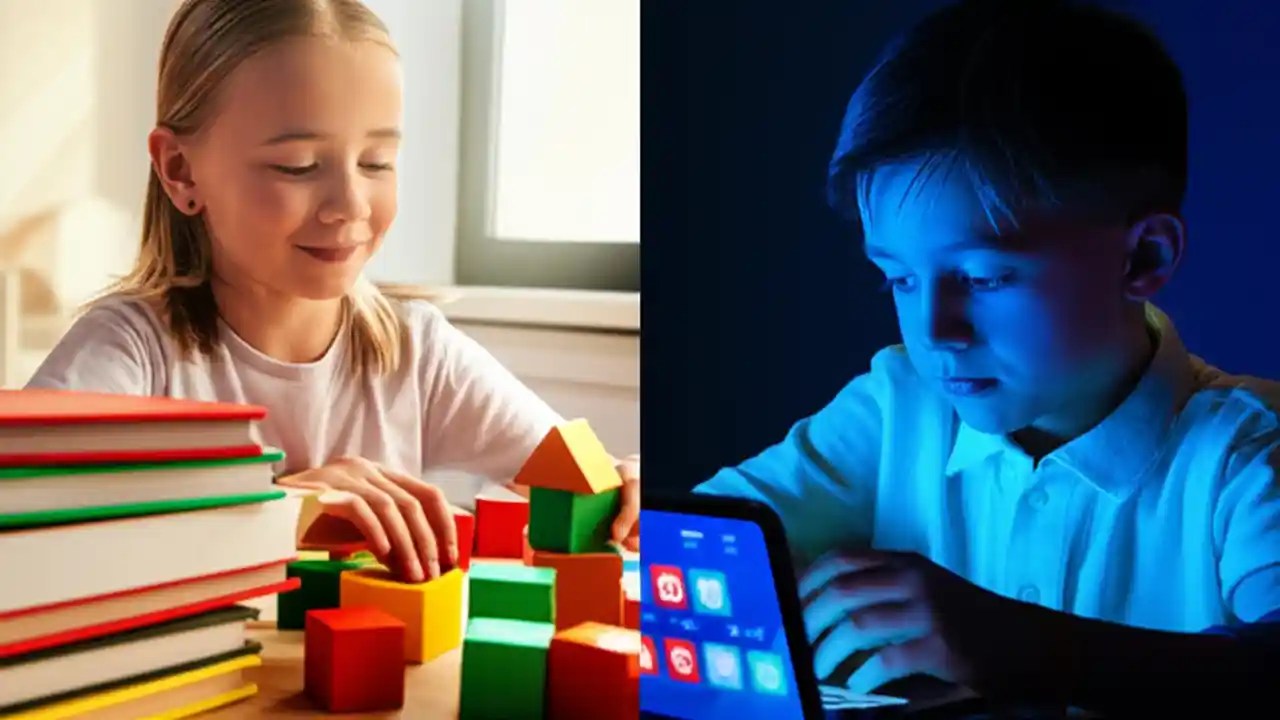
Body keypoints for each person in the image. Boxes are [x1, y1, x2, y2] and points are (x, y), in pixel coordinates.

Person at [694, 0, 1279, 714]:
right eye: (899, 278)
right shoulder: (895, 407)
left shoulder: (1247, 455)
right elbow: (705, 536)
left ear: (1144, 256)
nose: (935, 330)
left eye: (986, 276)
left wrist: (1030, 649)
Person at [26, 0, 639, 585]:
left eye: (376, 163)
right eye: (296, 166)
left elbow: (578, 480)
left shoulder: (416, 353)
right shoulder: (132, 350)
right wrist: (278, 509)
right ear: (181, 171)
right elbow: (27, 527)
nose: (350, 205)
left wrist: (626, 488)